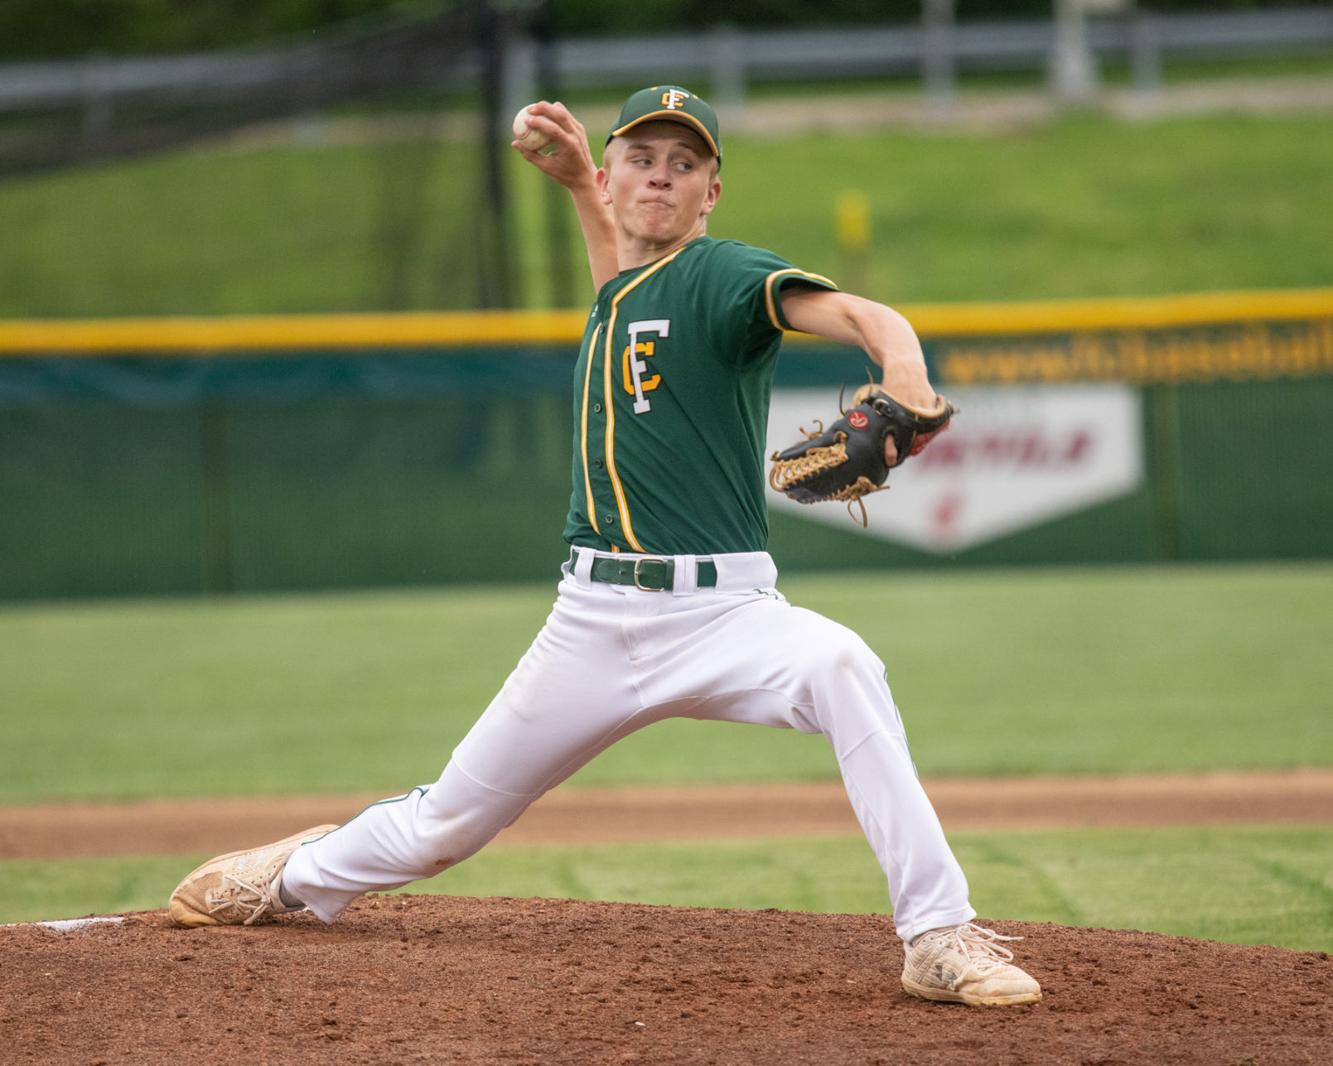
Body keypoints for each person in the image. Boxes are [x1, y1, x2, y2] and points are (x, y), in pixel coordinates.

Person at [169, 85, 1042, 1008]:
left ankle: (937, 933)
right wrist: (582, 188)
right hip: (591, 619)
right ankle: (294, 875)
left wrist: (905, 379)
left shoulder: (723, 277)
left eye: (684, 164)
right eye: (642, 159)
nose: (660, 177)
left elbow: (870, 317)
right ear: (616, 172)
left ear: (711, 193)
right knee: (444, 829)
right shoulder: (623, 296)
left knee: (842, 664)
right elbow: (621, 284)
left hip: (724, 612)